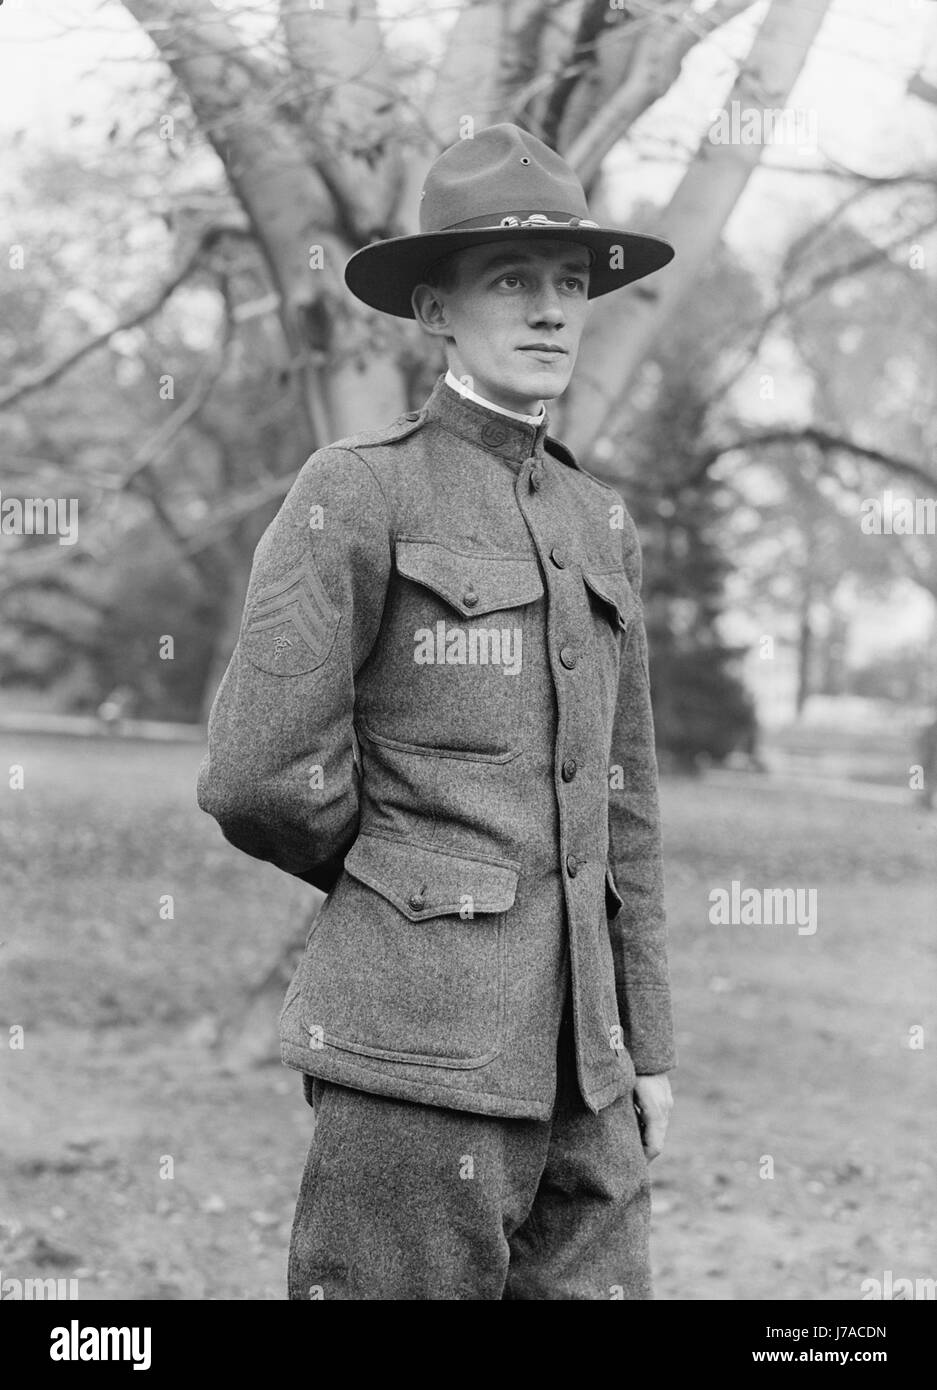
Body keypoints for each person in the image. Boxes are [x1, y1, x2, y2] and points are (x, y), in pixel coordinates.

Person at [197, 122, 677, 1300]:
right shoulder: (358, 491)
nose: (553, 310)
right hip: (413, 1065)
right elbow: (260, 773)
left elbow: (629, 812)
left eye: (571, 284)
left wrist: (646, 1047)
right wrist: (416, 884)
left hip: (590, 1078)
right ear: (434, 309)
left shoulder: (597, 521)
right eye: (513, 281)